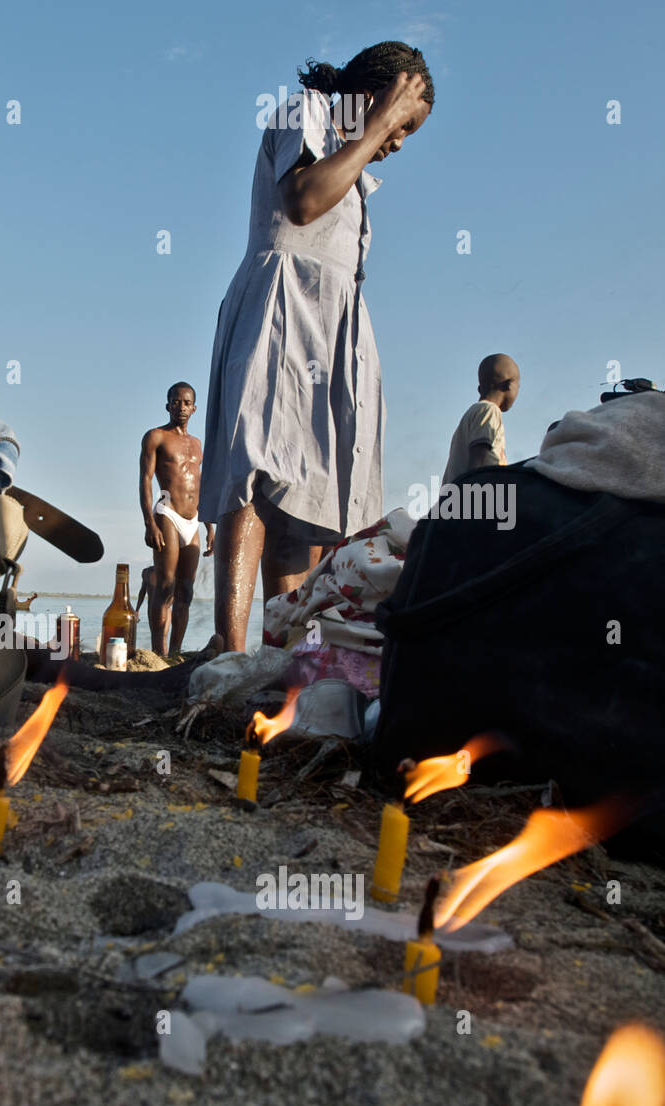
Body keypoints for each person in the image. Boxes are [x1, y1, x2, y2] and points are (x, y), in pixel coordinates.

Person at [201, 42, 434, 652]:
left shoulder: (358, 174)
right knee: (256, 469)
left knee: (306, 497)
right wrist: (379, 122)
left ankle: (281, 656)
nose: (400, 141)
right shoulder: (302, 112)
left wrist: (375, 133)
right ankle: (228, 650)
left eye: (407, 131)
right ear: (371, 97)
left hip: (333, 330)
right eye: (401, 123)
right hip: (282, 307)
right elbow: (302, 201)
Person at [139, 382, 213, 655]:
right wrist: (149, 522)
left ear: (194, 408)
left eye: (186, 402)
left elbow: (199, 484)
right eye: (175, 401)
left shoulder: (197, 444)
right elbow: (145, 479)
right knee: (166, 586)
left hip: (193, 521)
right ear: (168, 404)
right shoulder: (155, 437)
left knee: (186, 591)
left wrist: (209, 524)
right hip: (167, 513)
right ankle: (158, 654)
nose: (181, 407)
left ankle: (175, 653)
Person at [443, 354, 519, 482]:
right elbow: (478, 455)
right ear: (509, 385)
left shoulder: (473, 413)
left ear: (480, 389)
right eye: (518, 386)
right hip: (475, 496)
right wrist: (472, 492)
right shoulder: (489, 410)